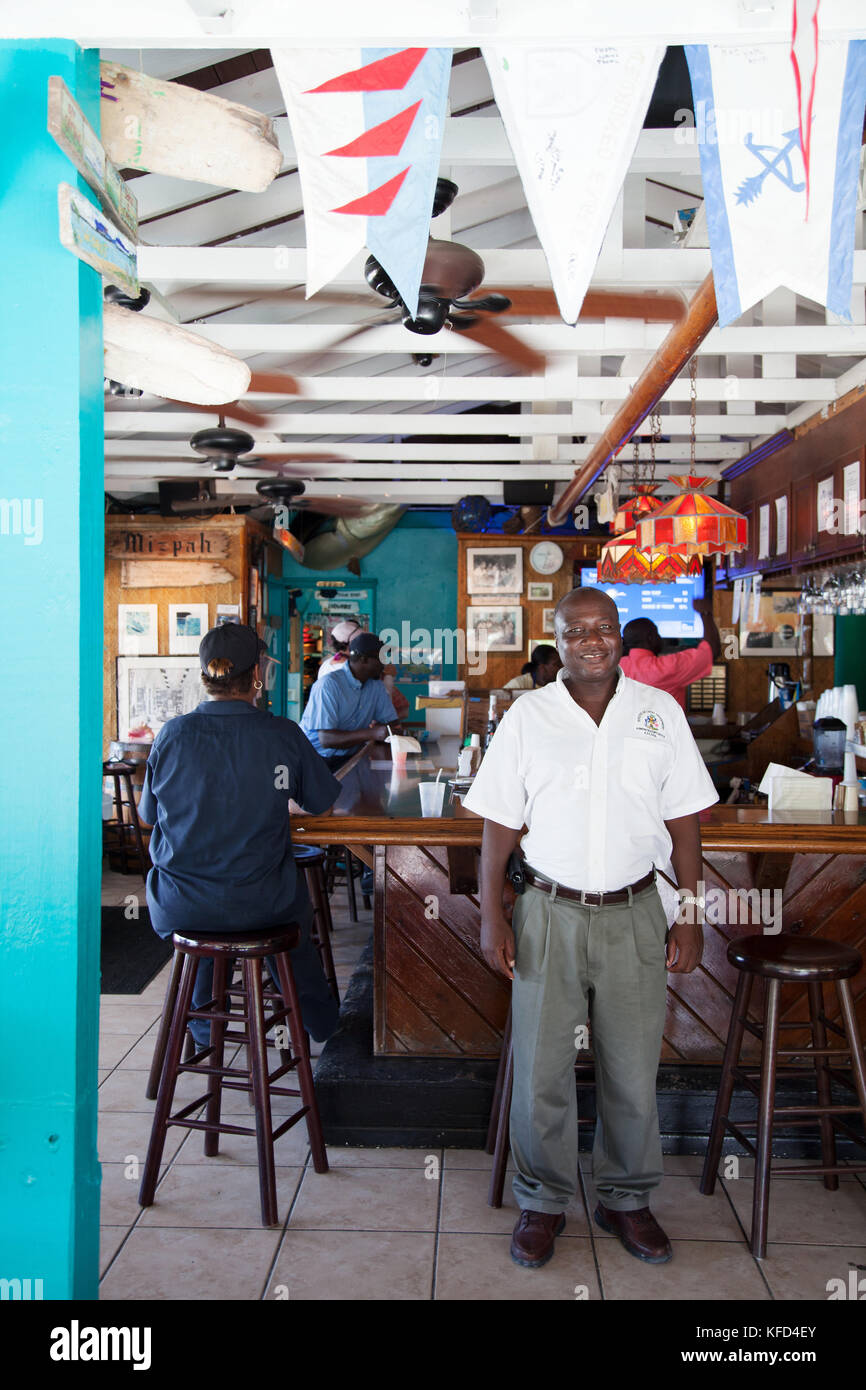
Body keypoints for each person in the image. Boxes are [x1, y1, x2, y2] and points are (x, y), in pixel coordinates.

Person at [463, 588, 718, 1270]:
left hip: (636, 910)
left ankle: (625, 1198)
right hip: (547, 910)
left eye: (603, 627)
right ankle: (542, 1202)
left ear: (619, 636)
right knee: (542, 1067)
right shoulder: (527, 716)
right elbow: (497, 827)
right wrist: (493, 917)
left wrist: (688, 914)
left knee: (632, 1067)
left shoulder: (658, 712)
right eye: (577, 630)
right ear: (559, 639)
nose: (592, 639)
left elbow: (686, 820)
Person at [138, 622, 342, 1048]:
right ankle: (320, 1023)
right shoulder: (281, 734)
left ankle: (203, 1026)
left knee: (212, 902)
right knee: (288, 915)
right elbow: (321, 803)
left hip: (180, 906)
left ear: (205, 675)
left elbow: (149, 817)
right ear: (256, 676)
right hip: (262, 906)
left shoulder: (172, 735)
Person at [300, 630, 399, 762]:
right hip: (314, 758)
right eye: (382, 658)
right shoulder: (329, 685)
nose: (385, 664)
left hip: (349, 757)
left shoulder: (376, 686)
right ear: (364, 659)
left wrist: (386, 731)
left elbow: (391, 723)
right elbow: (326, 739)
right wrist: (371, 733)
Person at [619, 598, 721, 710]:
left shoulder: (615, 667)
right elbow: (712, 651)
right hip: (667, 727)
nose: (660, 638)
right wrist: (705, 613)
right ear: (650, 638)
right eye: (657, 633)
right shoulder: (667, 667)